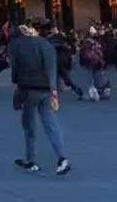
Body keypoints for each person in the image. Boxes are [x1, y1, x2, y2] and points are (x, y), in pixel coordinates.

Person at [8, 22, 70, 175]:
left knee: (29, 125)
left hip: (28, 88)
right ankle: (62, 157)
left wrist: (17, 81)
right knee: (50, 123)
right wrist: (53, 88)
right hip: (45, 87)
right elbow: (50, 66)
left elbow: (14, 68)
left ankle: (31, 160)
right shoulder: (44, 44)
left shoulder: (15, 45)